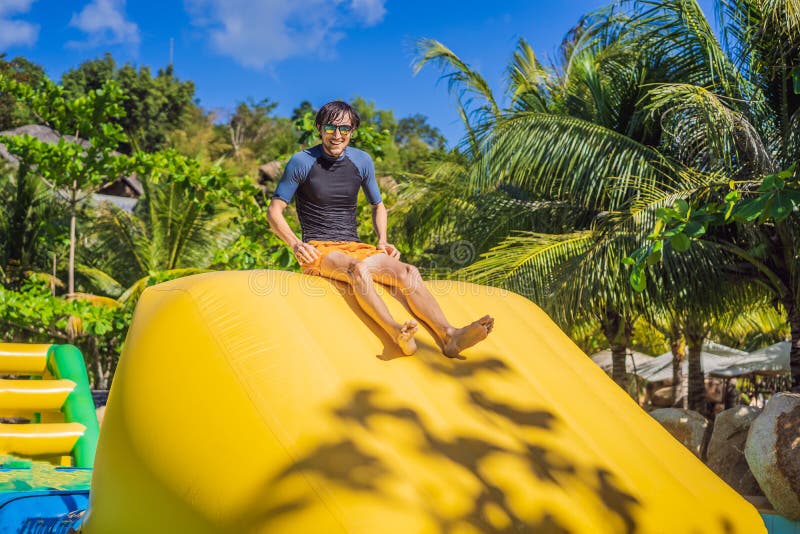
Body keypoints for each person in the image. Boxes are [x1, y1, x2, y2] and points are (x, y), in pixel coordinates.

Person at [267, 100, 493, 357]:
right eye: (330, 127)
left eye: (345, 128)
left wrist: (383, 240)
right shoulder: (302, 161)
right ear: (320, 128)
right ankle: (396, 331)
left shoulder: (361, 161)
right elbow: (274, 212)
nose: (337, 135)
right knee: (357, 269)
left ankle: (449, 336)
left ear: (353, 131)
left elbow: (378, 206)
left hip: (354, 246)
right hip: (320, 250)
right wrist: (296, 244)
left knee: (409, 272)